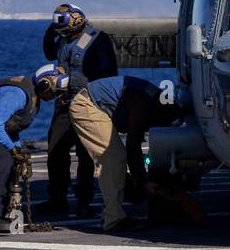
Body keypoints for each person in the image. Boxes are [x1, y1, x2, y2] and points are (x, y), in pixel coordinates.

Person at [0, 63, 68, 235]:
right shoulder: (18, 94)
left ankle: (1, 214)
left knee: (10, 163)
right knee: (0, 164)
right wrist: (12, 150)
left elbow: (11, 126)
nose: (54, 96)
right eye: (54, 91)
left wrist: (16, 150)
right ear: (44, 84)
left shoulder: (33, 98)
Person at [68, 75, 187, 233]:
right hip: (87, 105)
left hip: (97, 104)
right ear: (162, 113)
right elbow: (133, 146)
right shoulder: (141, 103)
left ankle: (115, 204)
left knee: (114, 158)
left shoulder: (154, 100)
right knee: (112, 157)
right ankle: (113, 219)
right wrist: (143, 182)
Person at [39, 4, 118, 218]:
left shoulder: (98, 40)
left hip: (88, 103)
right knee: (55, 151)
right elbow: (50, 53)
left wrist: (74, 81)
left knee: (85, 155)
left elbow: (107, 73)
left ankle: (84, 202)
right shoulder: (64, 36)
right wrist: (51, 29)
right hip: (64, 104)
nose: (62, 35)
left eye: (64, 30)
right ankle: (57, 199)